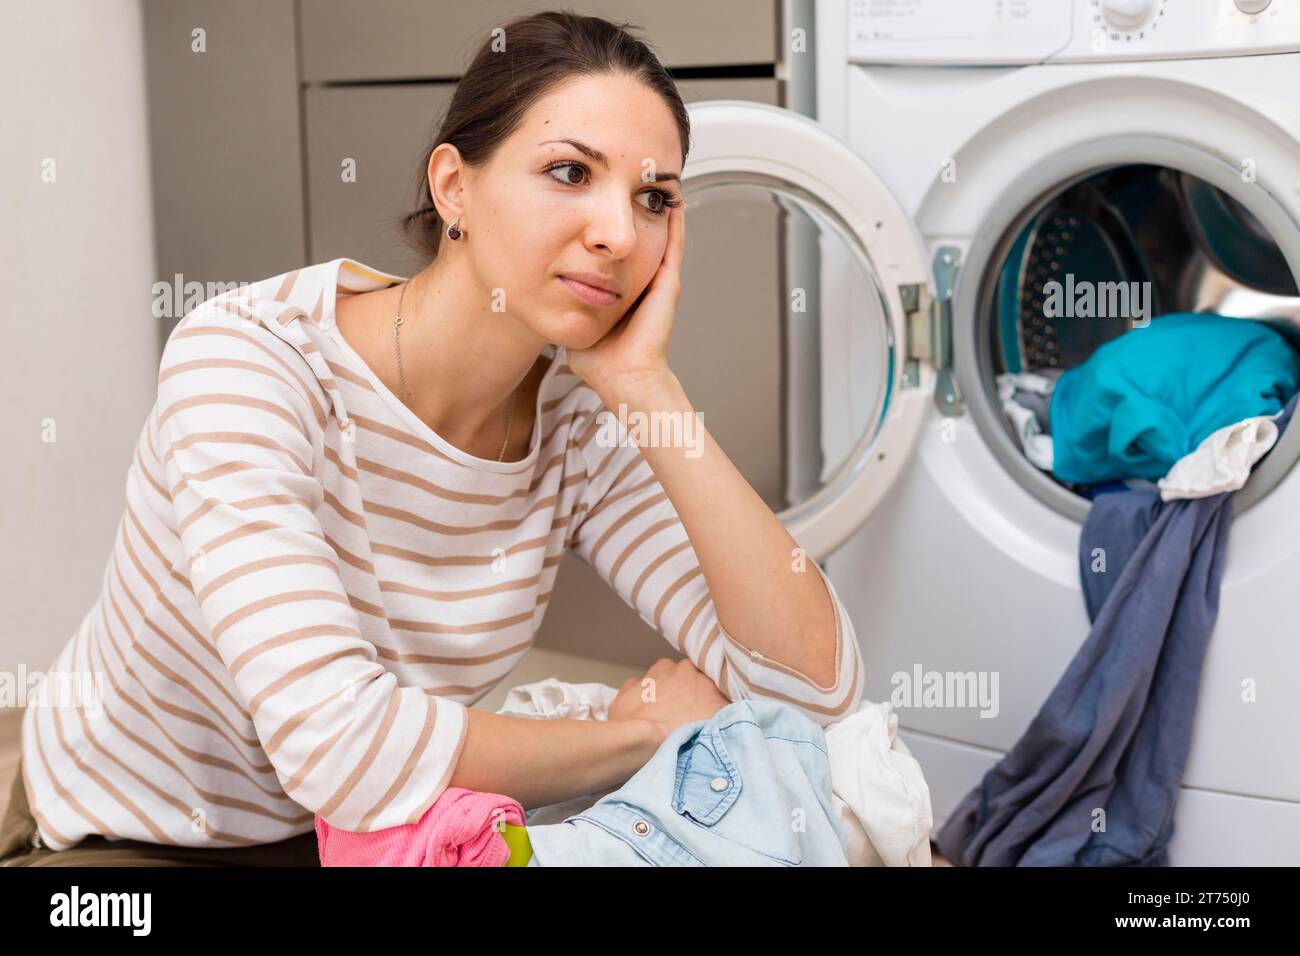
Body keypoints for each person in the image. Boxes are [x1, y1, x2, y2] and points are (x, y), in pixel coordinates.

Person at [1, 10, 864, 867]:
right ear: (455, 186)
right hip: (130, 834)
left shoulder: (580, 420)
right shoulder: (249, 362)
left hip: (382, 830)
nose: (618, 233)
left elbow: (812, 694)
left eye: (654, 198)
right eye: (569, 172)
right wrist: (631, 733)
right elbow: (340, 749)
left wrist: (648, 388)